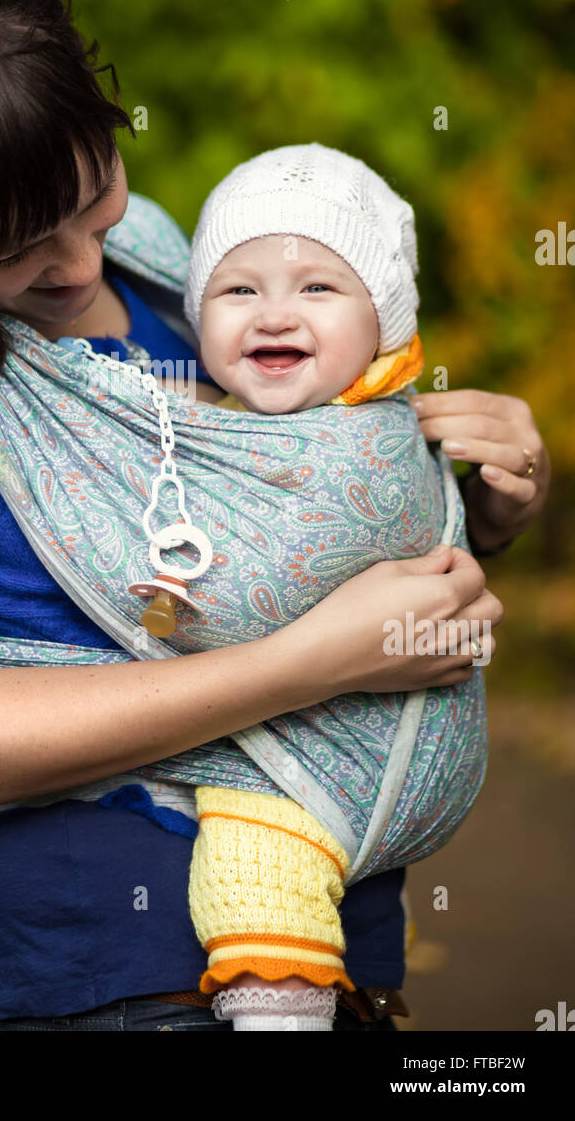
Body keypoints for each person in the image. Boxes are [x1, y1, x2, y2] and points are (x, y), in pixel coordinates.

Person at [0, 0, 548, 1032]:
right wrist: (315, 660)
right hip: (121, 978)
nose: (75, 265)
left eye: (88, 195)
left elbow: (272, 532)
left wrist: (473, 510)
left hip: (336, 939)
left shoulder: (157, 254)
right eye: (14, 246)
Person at [146, 141, 482, 1031]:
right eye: (239, 289)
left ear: (385, 321)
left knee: (251, 875)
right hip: (320, 724)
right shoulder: (211, 428)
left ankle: (279, 1014)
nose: (273, 313)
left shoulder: (367, 436)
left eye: (316, 288)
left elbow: (283, 570)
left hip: (336, 753)